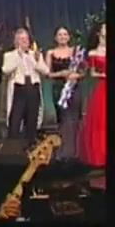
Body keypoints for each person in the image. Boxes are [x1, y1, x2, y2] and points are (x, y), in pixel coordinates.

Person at [2, 28, 50, 143]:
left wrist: (36, 60)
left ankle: (30, 145)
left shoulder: (35, 54)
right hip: (18, 90)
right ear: (16, 41)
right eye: (21, 39)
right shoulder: (9, 55)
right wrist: (18, 55)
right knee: (15, 121)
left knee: (32, 121)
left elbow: (46, 71)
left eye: (26, 39)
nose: (24, 41)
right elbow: (6, 70)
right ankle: (13, 147)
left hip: (33, 89)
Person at [45, 26, 85, 160]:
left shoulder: (76, 51)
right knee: (64, 119)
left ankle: (76, 153)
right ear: (55, 38)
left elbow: (83, 71)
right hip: (59, 89)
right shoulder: (50, 53)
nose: (63, 37)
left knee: (75, 119)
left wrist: (76, 76)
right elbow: (48, 74)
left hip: (74, 88)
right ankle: (64, 153)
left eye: (65, 34)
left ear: (68, 37)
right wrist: (61, 73)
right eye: (60, 35)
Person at [78, 23, 106, 167]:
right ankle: (100, 154)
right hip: (103, 86)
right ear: (99, 33)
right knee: (101, 119)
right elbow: (93, 73)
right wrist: (104, 75)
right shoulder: (93, 53)